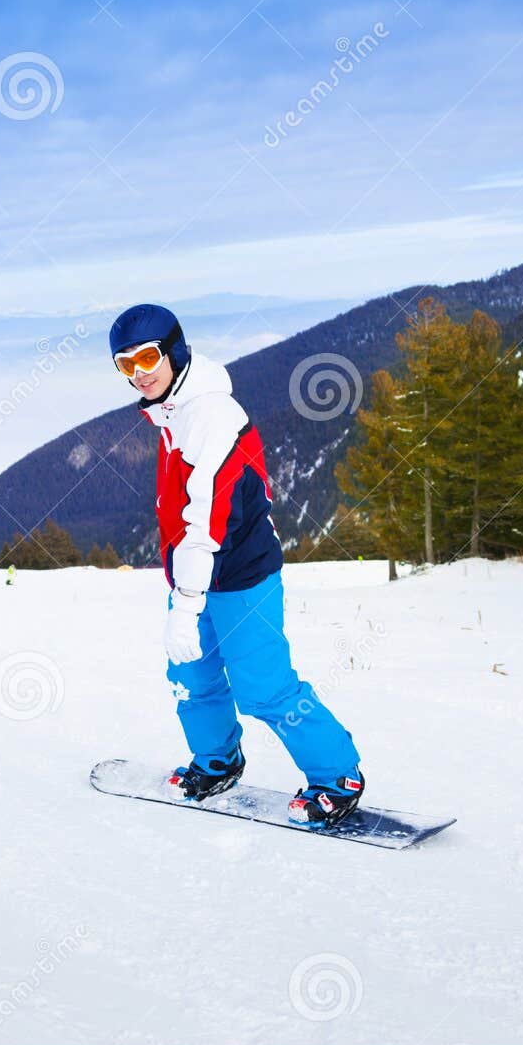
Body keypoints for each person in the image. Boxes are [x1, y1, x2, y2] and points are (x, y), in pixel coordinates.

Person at [110, 303, 365, 827]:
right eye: (125, 364)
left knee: (265, 688)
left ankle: (338, 776)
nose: (139, 373)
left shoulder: (212, 417)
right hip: (195, 577)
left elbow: (209, 523)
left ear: (174, 351)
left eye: (148, 357)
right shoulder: (174, 411)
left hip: (243, 578)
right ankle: (218, 761)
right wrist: (185, 593)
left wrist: (186, 605)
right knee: (191, 678)